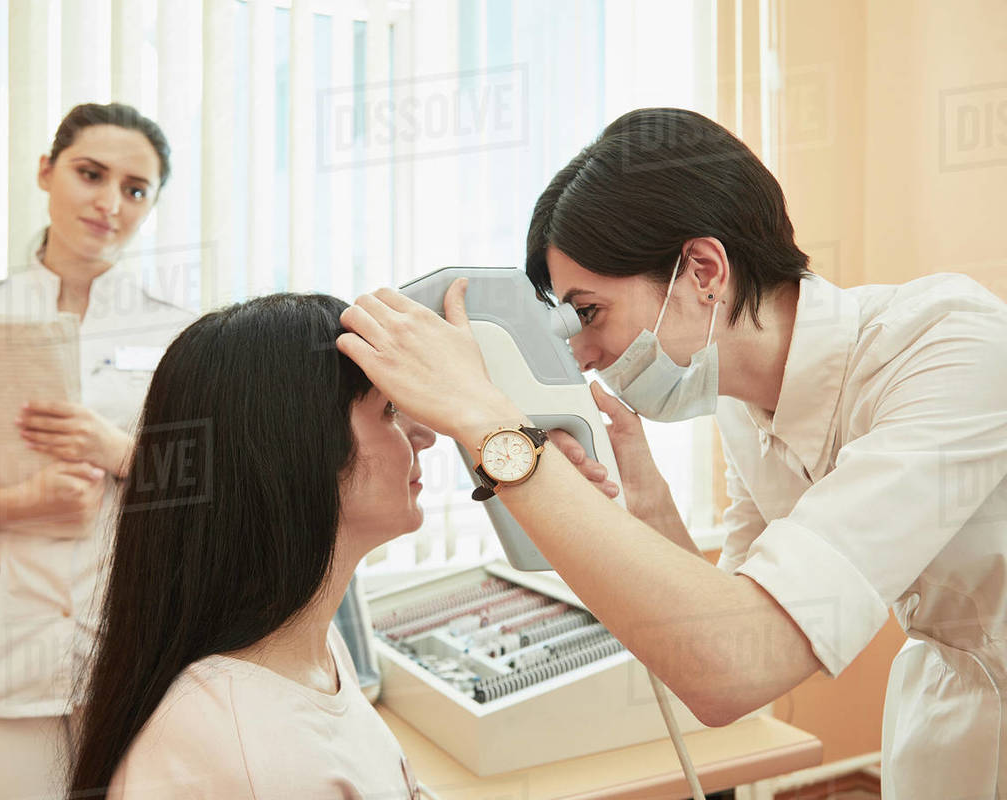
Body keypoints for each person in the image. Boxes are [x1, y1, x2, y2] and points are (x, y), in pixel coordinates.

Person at [336, 108, 1007, 800]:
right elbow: (724, 631)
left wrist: (490, 425)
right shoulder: (748, 410)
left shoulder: (949, 348)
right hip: (947, 719)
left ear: (703, 269)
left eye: (587, 313)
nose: (583, 357)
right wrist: (642, 503)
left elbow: (742, 667)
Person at [0, 103, 195, 800]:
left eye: (135, 189)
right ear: (46, 172)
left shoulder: (180, 331)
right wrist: (22, 501)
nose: (110, 202)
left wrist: (118, 451)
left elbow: (210, 485)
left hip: (128, 637)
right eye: (91, 174)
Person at [67, 293, 434, 799]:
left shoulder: (316, 649)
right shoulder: (237, 748)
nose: (426, 433)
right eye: (389, 409)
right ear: (300, 447)